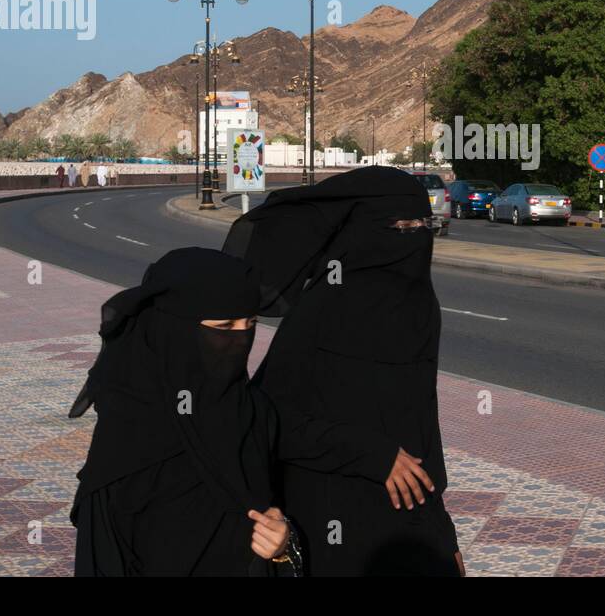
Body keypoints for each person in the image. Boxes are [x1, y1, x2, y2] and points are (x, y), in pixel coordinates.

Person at [223, 166, 463, 577]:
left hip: (407, 521)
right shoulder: (323, 311)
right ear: (361, 232)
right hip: (329, 513)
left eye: (423, 224)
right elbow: (268, 417)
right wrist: (370, 453)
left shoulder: (420, 308)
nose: (415, 235)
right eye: (400, 226)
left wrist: (444, 535)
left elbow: (422, 423)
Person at [68, 247, 301, 576]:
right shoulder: (126, 438)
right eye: (224, 326)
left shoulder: (252, 413)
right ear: (174, 330)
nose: (241, 338)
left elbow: (275, 508)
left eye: (249, 324)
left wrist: (281, 542)